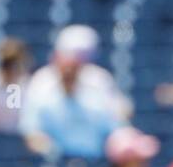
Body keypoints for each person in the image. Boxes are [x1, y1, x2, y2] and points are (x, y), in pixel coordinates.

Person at [20, 24, 130, 159]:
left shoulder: (99, 80)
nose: (69, 72)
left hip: (95, 160)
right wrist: (50, 151)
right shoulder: (41, 82)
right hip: (55, 163)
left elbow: (117, 120)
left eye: (74, 66)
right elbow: (31, 130)